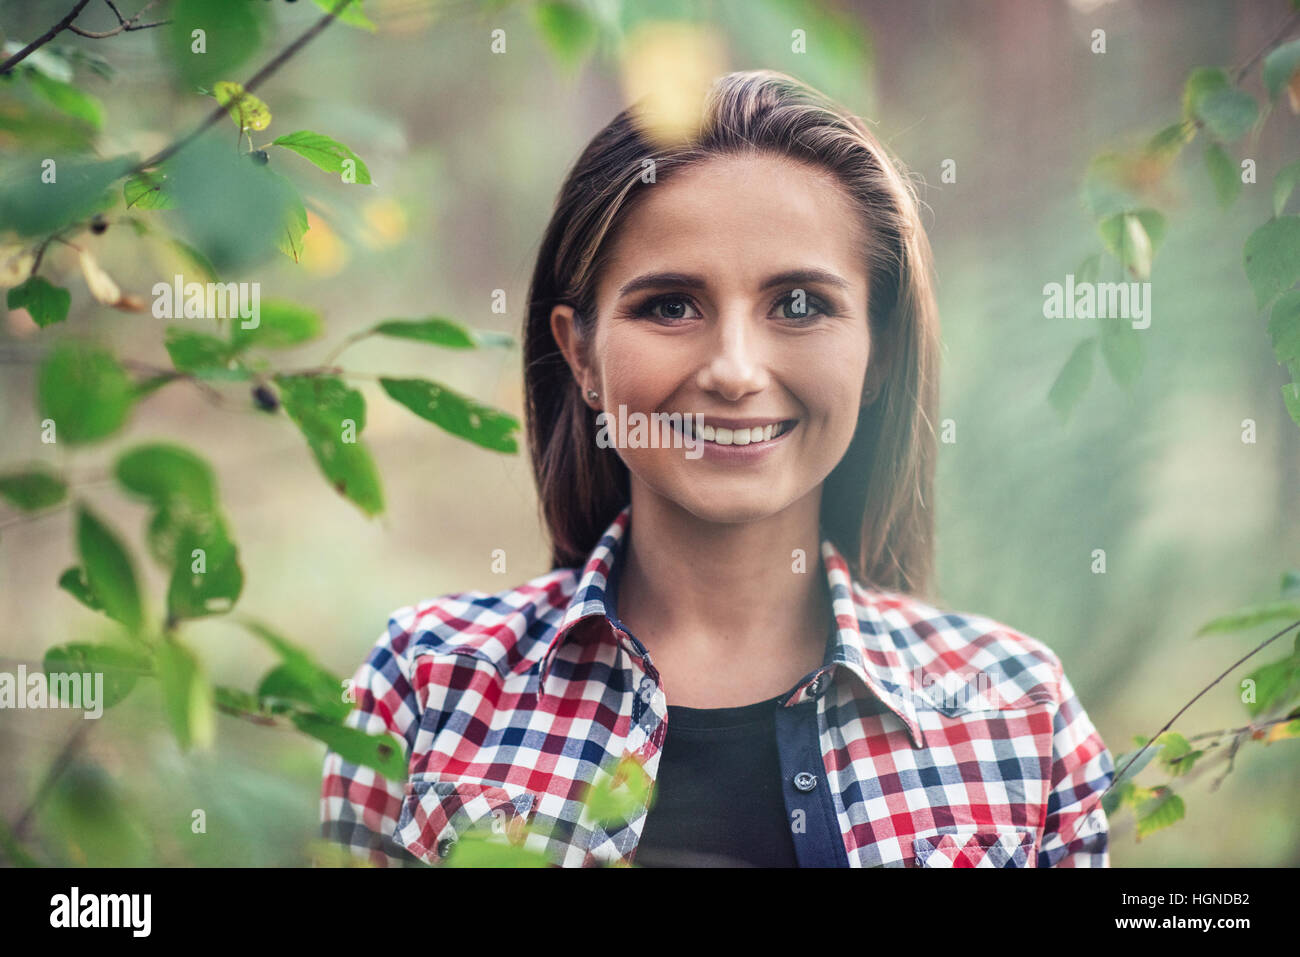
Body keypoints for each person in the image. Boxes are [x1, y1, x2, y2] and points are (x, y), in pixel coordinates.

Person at [320, 69, 1114, 868]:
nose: (734, 371)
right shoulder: (425, 688)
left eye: (799, 304)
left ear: (879, 354)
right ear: (580, 352)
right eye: (670, 304)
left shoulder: (1021, 713)